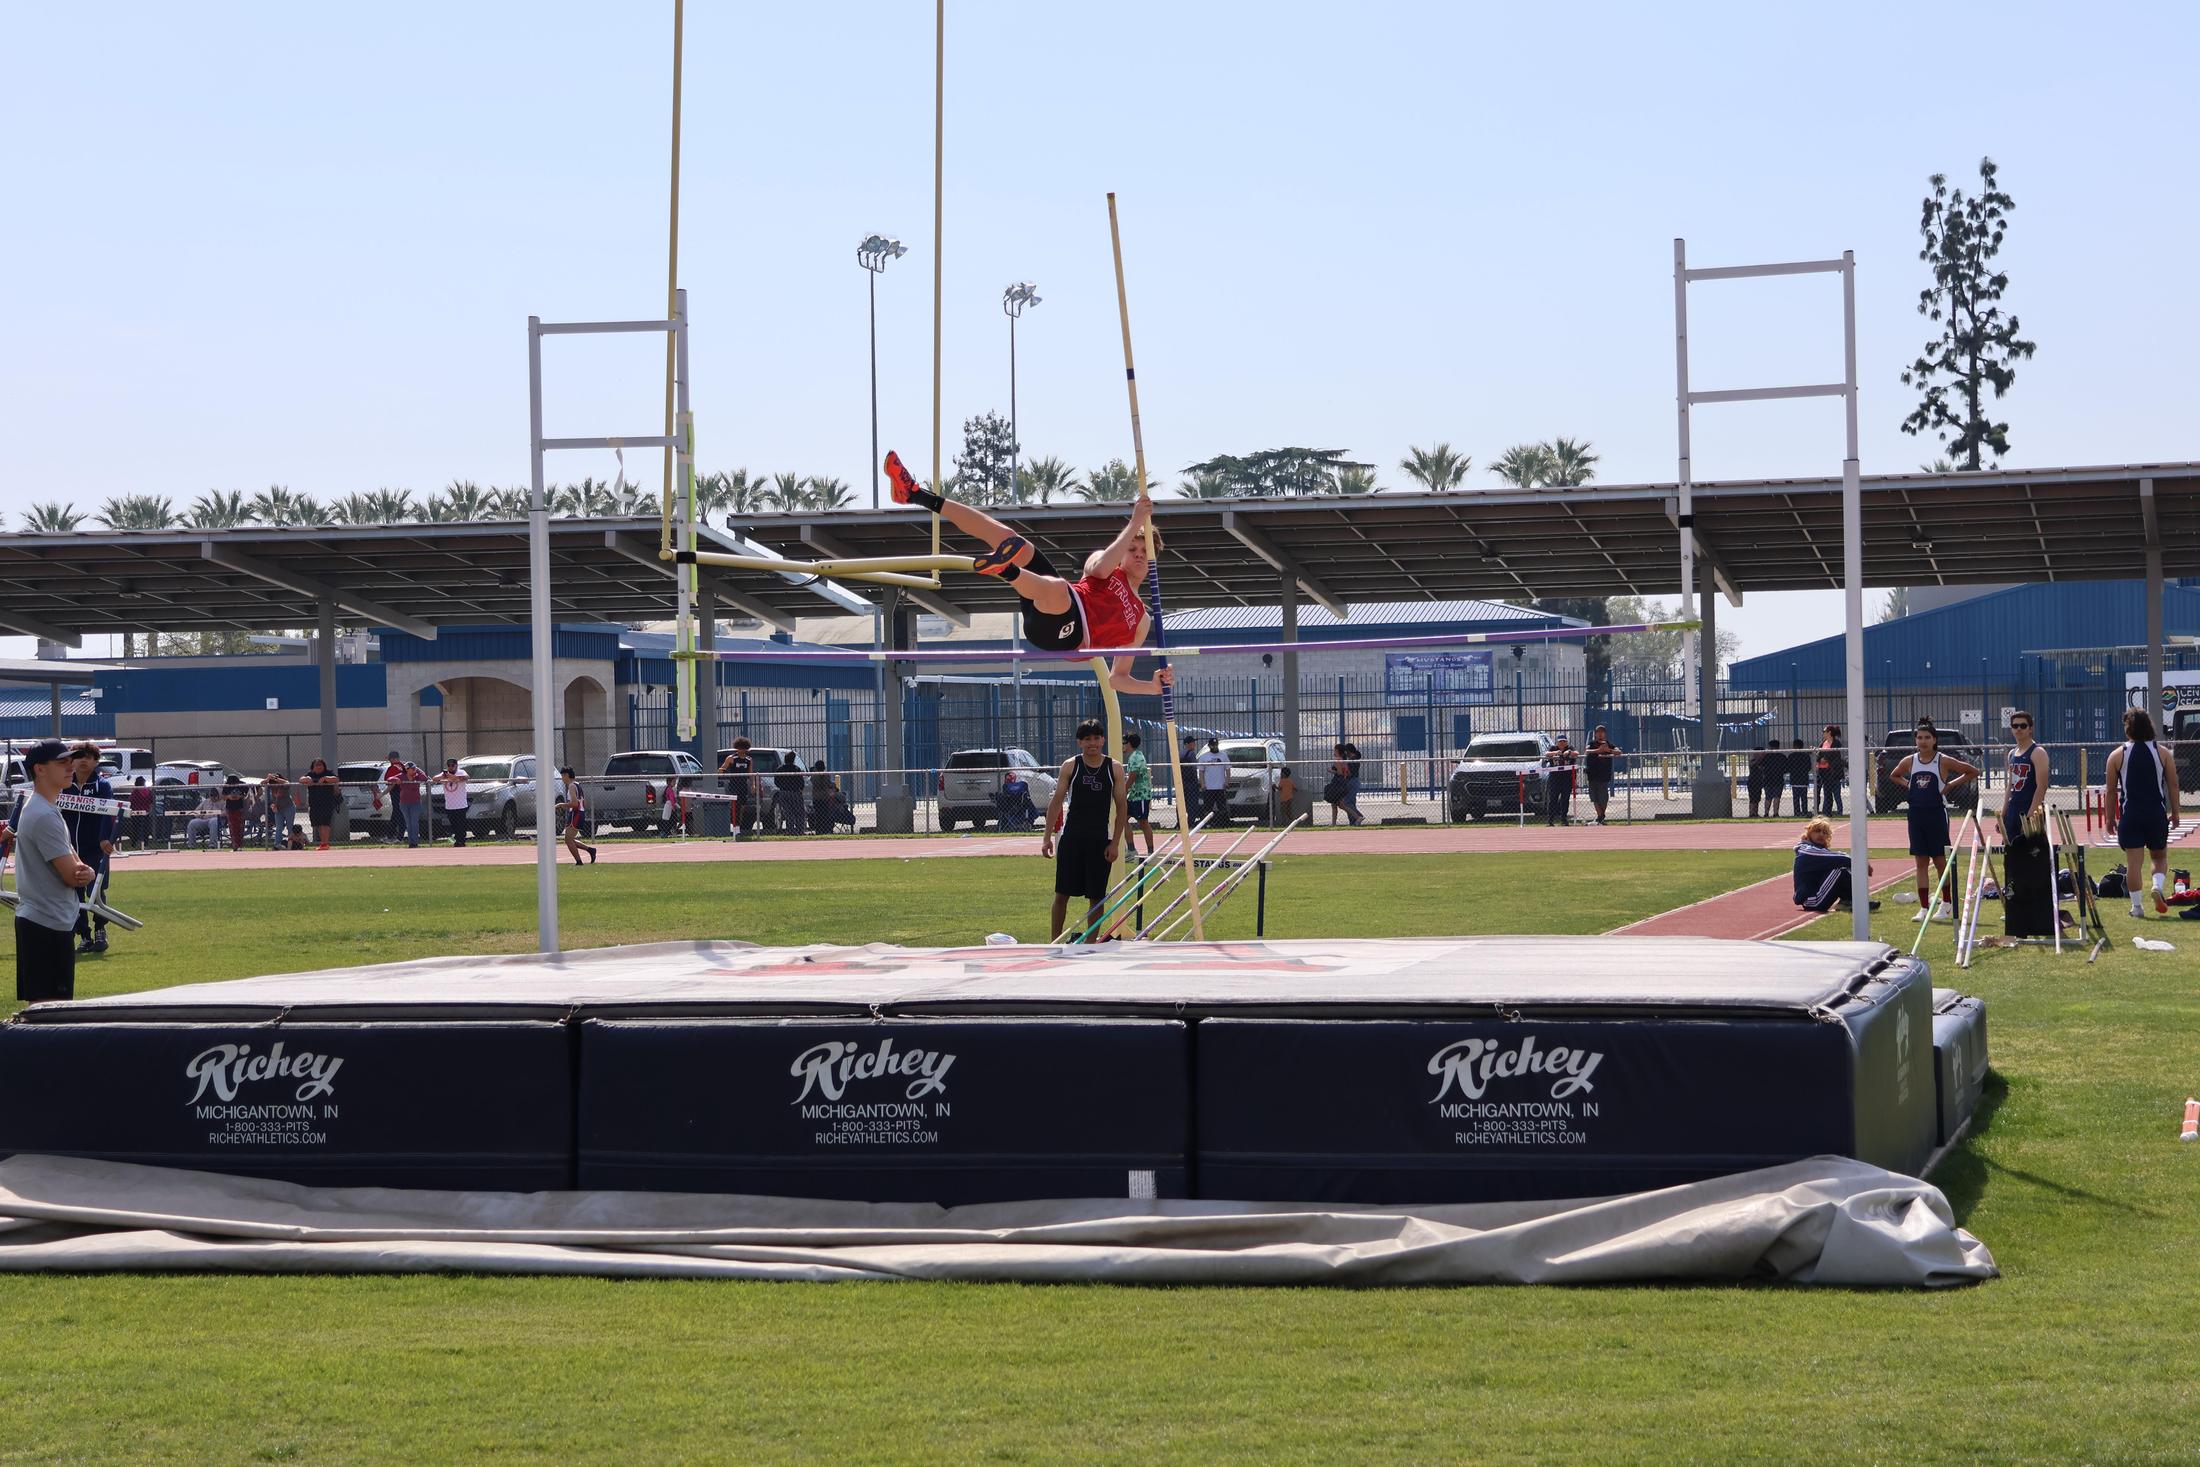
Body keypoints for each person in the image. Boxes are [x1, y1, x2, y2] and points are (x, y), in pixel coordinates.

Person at [885, 450, 1175, 698]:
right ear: (1123, 550)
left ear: (1153, 559)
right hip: (1046, 599)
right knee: (1017, 542)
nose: (1138, 554)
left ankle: (1006, 569)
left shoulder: (1141, 620)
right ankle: (916, 494)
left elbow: (1117, 679)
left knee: (1059, 589)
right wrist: (1136, 522)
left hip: (1065, 635)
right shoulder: (1105, 562)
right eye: (1132, 548)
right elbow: (1098, 569)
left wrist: (1152, 687)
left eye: (1144, 551)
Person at [13, 741, 96, 1002]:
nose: (70, 767)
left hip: (47, 920)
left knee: (47, 1015)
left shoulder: (48, 809)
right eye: (62, 762)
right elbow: (73, 875)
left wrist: (87, 871)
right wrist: (86, 873)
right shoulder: (44, 814)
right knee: (48, 1016)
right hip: (45, 923)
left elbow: (78, 864)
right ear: (40, 769)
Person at [1042, 719, 1128, 939]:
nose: (1093, 743)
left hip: (1100, 840)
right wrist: (1047, 837)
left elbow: (1121, 808)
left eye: (1096, 738)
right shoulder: (1071, 765)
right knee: (1062, 894)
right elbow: (1056, 802)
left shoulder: (1114, 768)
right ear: (1079, 742)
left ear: (1103, 740)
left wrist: (1115, 843)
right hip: (1072, 839)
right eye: (1087, 739)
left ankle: (1091, 942)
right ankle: (1055, 941)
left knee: (1097, 896)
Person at [1888, 724, 1980, 922]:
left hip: (1936, 814)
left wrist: (1948, 786)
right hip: (1915, 815)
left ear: (1934, 740)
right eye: (1919, 737)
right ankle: (1924, 908)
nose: (1923, 741)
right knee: (1920, 861)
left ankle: (1946, 904)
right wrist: (1909, 784)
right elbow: (1894, 775)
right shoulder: (1910, 761)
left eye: (1927, 737)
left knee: (1939, 861)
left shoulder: (1942, 760)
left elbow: (1972, 771)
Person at [2103, 707, 2184, 918]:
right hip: (2155, 813)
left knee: (2134, 864)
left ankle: (2137, 907)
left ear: (2128, 728)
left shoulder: (2116, 755)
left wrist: (2109, 818)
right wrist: (2175, 813)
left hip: (2131, 815)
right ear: (2149, 726)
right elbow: (2173, 785)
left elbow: (2111, 791)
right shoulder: (2162, 752)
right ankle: (2157, 886)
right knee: (2159, 856)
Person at [1998, 709, 2057, 937]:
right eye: (2015, 726)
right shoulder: (2012, 753)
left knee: (2031, 861)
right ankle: (2015, 908)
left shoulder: (2037, 752)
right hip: (2013, 813)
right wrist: (2003, 815)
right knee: (2011, 861)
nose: (2019, 729)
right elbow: (2009, 787)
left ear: (2030, 728)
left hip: (2029, 813)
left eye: (2023, 725)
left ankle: (2035, 910)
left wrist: (2031, 814)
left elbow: (2041, 786)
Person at [63, 743, 118, 955]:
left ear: (96, 761)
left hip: (95, 848)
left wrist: (105, 838)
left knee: (96, 890)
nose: (83, 761)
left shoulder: (102, 785)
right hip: (70, 848)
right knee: (74, 892)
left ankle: (100, 931)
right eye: (79, 756)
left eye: (89, 757)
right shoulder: (65, 785)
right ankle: (83, 935)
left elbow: (109, 812)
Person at [1791, 817, 1879, 913]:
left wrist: (1859, 863)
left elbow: (1838, 857)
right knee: (1840, 871)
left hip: (1818, 897)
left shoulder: (1820, 851)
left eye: (1825, 832)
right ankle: (1856, 902)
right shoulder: (1806, 850)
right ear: (1809, 833)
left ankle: (1847, 901)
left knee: (1843, 869)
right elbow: (1841, 858)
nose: (1821, 834)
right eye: (1817, 831)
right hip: (1811, 900)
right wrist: (1862, 863)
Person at [1121, 732, 1155, 855]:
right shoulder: (1133, 756)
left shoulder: (1135, 757)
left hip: (1140, 796)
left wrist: (1123, 791)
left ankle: (1151, 852)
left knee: (1143, 822)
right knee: (1122, 819)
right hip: (1134, 795)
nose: (1122, 746)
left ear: (1129, 743)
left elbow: (1132, 777)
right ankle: (1131, 850)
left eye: (1124, 743)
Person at [556, 766, 598, 867]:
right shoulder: (577, 785)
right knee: (569, 839)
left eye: (562, 776)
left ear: (566, 775)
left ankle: (579, 862)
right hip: (578, 813)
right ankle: (590, 850)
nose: (562, 779)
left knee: (568, 839)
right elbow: (583, 802)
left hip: (576, 814)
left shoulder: (571, 786)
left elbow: (575, 804)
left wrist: (561, 805)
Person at [1583, 726, 1622, 826]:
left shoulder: (1608, 744)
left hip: (1604, 775)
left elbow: (1618, 752)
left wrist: (1608, 750)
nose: (1600, 734)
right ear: (1595, 734)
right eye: (1598, 732)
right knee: (1594, 797)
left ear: (1605, 734)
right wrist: (1598, 750)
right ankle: (1600, 817)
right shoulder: (1591, 744)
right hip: (1592, 774)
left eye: (1602, 732)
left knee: (1603, 797)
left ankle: (1600, 817)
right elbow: (1587, 751)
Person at [718, 738, 756, 838]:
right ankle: (736, 827)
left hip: (743, 785)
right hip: (734, 785)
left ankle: (738, 823)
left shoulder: (749, 760)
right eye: (740, 748)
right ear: (737, 748)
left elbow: (750, 773)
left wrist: (753, 784)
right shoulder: (731, 758)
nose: (742, 750)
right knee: (736, 805)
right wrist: (721, 770)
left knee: (742, 807)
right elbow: (723, 768)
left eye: (744, 748)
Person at [302, 758, 340, 849]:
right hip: (314, 804)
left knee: (325, 823)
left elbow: (336, 779)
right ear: (313, 767)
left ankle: (325, 843)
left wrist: (325, 778)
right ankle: (323, 844)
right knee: (318, 824)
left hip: (326, 803)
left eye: (320, 765)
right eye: (316, 765)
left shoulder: (328, 773)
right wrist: (307, 779)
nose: (319, 767)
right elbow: (301, 779)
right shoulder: (310, 774)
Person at [1541, 735, 1578, 825]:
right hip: (1554, 778)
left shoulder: (1570, 748)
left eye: (1564, 741)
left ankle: (1563, 819)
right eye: (1560, 741)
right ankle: (1550, 820)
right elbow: (1546, 754)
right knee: (1553, 799)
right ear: (1557, 742)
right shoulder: (1553, 748)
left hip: (1567, 778)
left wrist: (1568, 752)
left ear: (1566, 742)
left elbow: (1576, 753)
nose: (1562, 743)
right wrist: (1556, 753)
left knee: (1565, 799)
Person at [1197, 737, 1230, 825]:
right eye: (1213, 745)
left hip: (1220, 787)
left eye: (1216, 745)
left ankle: (1223, 824)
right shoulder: (1204, 757)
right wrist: (1203, 784)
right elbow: (1201, 772)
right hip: (1208, 787)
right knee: (1208, 807)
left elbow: (1228, 770)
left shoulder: (1223, 756)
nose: (1215, 747)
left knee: (1222, 807)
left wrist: (1227, 782)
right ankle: (1208, 823)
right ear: (1209, 746)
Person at [391, 761, 425, 848]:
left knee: (414, 823)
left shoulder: (417, 776)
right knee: (408, 824)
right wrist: (396, 780)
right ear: (407, 770)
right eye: (412, 768)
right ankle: (411, 843)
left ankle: (415, 842)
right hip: (404, 803)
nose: (414, 770)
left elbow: (424, 778)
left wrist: (418, 771)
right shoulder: (402, 776)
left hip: (415, 803)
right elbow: (389, 778)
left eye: (414, 768)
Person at [771, 755, 806, 837]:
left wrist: (782, 787)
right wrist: (800, 788)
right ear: (793, 760)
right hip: (795, 792)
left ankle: (790, 830)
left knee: (788, 813)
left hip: (783, 792)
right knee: (799, 812)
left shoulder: (780, 769)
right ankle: (800, 830)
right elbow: (801, 781)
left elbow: (776, 781)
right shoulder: (796, 769)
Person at [1815, 726, 1846, 815]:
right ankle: (1827, 811)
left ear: (1829, 732)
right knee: (1826, 792)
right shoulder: (1823, 743)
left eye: (1824, 731)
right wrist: (1820, 759)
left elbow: (1835, 755)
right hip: (1823, 771)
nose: (1823, 733)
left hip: (1832, 772)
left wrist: (1826, 759)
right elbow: (1818, 755)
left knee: (1836, 793)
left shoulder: (1836, 743)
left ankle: (1839, 811)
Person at [439, 757, 469, 847]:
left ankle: (461, 841)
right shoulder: (445, 774)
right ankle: (457, 840)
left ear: (456, 765)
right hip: (450, 805)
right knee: (454, 825)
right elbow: (434, 778)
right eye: (449, 765)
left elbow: (465, 778)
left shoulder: (461, 772)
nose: (451, 767)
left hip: (461, 805)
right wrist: (445, 776)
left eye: (452, 765)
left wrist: (450, 776)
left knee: (461, 825)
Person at [379, 751, 408, 843]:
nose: (390, 760)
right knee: (396, 815)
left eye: (390, 759)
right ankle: (390, 836)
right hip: (405, 792)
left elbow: (392, 784)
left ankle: (399, 837)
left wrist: (382, 794)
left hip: (397, 792)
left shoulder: (393, 768)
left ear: (393, 759)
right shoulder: (403, 766)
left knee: (399, 814)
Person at [220, 770, 248, 852]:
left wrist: (239, 796)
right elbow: (223, 797)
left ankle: (239, 845)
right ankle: (234, 845)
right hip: (230, 809)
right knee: (232, 827)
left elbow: (245, 794)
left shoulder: (241, 784)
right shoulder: (227, 786)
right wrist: (229, 797)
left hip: (240, 808)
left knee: (240, 827)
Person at [125, 777, 154, 850]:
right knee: (146, 829)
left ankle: (134, 845)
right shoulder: (148, 791)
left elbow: (131, 801)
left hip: (136, 813)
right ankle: (146, 844)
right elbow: (151, 802)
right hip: (146, 813)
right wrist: (148, 810)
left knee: (135, 829)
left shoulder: (135, 792)